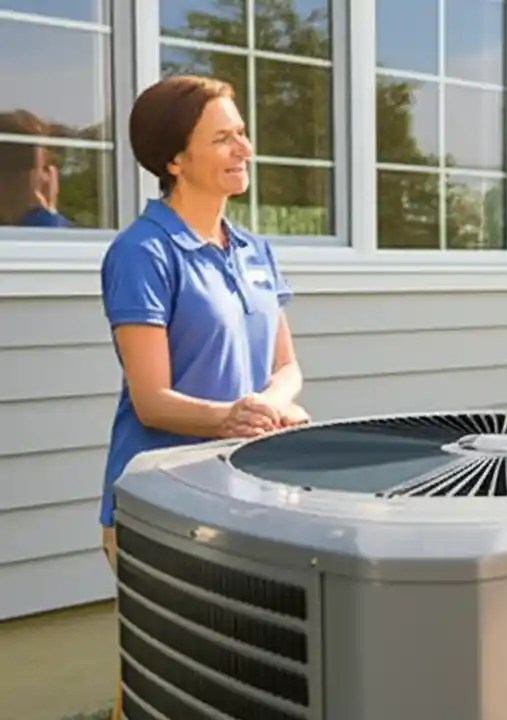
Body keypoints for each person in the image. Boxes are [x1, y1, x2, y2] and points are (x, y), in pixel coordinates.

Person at [98, 75, 310, 719]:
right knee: (177, 684)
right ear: (173, 160)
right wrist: (229, 414)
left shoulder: (254, 250)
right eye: (223, 138)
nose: (243, 147)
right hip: (160, 500)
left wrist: (272, 401)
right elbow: (152, 399)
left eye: (242, 133)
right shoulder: (141, 252)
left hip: (245, 495)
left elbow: (288, 367)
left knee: (245, 680)